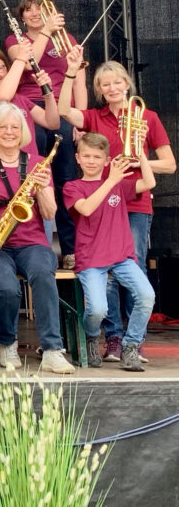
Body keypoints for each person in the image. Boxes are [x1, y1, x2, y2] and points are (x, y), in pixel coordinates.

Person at [59, 48, 175, 361]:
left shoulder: (146, 117)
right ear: (98, 90)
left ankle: (131, 344)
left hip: (133, 199)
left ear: (127, 84)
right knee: (103, 271)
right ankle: (112, 336)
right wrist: (71, 72)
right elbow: (63, 110)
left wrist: (137, 161)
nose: (111, 88)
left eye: (116, 83)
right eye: (104, 85)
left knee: (132, 268)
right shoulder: (95, 117)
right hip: (100, 200)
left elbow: (170, 164)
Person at [0, 102, 74, 374]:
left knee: (43, 276)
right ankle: (6, 345)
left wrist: (44, 187)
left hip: (31, 242)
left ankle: (51, 349)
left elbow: (49, 214)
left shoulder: (37, 164)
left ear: (23, 131)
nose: (9, 132)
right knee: (7, 288)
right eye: (3, 127)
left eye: (15, 127)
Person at [5, 0, 85, 268]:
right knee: (30, 176)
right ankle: (32, 241)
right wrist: (46, 34)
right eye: (28, 10)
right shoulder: (16, 40)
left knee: (65, 180)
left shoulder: (68, 39)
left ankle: (70, 247)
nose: (35, 14)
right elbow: (27, 63)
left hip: (62, 108)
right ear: (22, 16)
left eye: (40, 9)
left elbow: (79, 84)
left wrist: (80, 121)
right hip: (29, 106)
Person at [65, 134, 156, 371]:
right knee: (97, 309)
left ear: (106, 160)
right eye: (86, 156)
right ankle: (92, 336)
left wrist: (142, 155)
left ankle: (131, 346)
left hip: (121, 256)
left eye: (97, 157)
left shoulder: (117, 184)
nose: (91, 161)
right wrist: (110, 179)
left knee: (147, 296)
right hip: (91, 258)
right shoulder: (72, 187)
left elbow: (148, 183)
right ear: (77, 158)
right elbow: (86, 209)